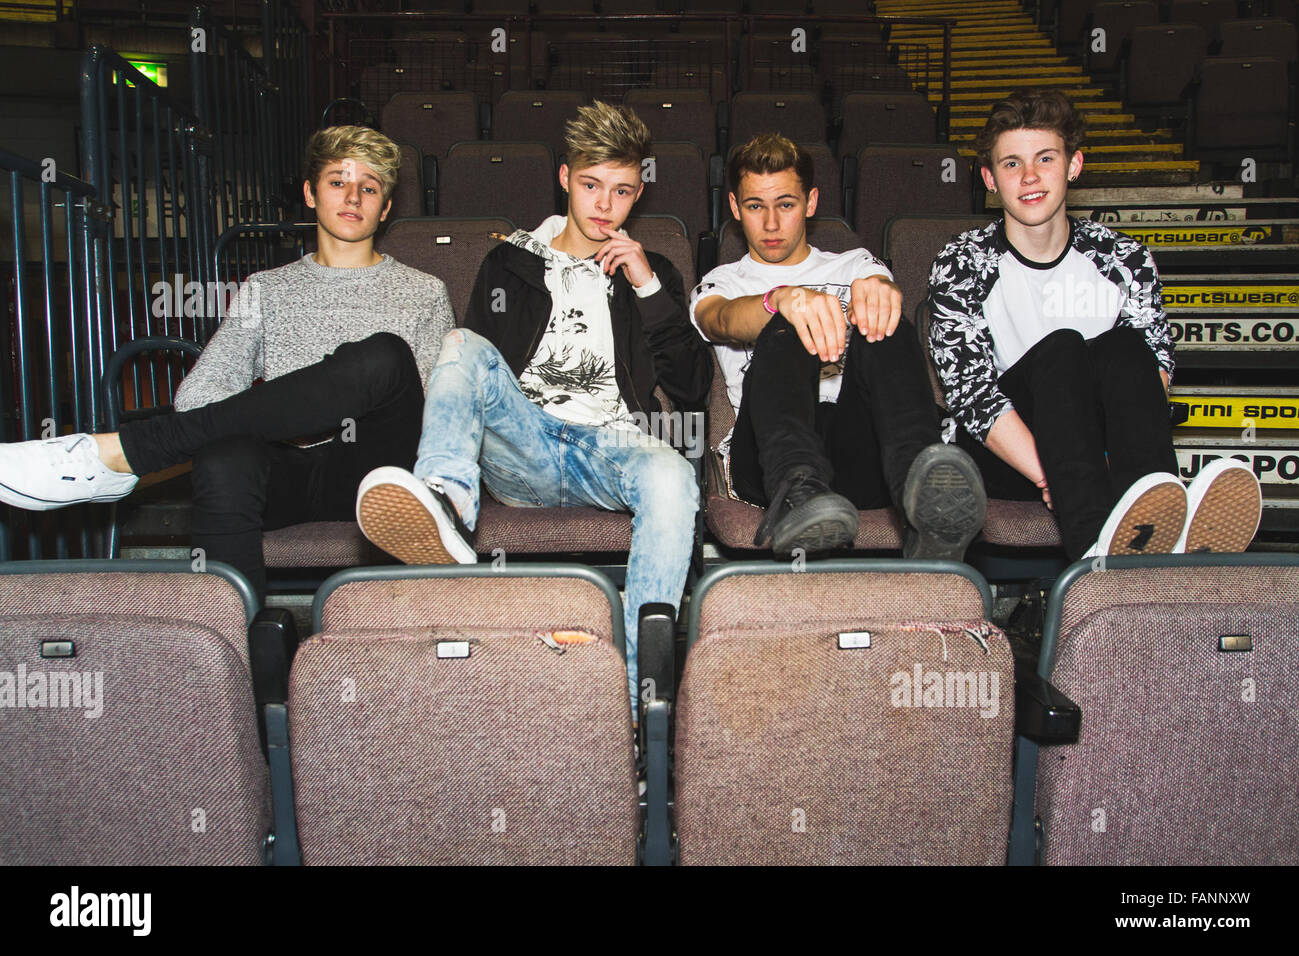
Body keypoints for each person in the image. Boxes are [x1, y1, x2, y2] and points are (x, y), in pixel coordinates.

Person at [353, 102, 711, 706]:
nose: (604, 205)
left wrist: (648, 287)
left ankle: (632, 709)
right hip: (526, 444)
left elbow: (693, 387)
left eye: (622, 191)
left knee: (674, 477)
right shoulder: (508, 263)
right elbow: (476, 379)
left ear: (638, 193)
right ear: (566, 178)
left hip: (610, 446)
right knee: (462, 345)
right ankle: (445, 497)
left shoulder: (656, 273)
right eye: (592, 185)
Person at [0, 125, 454, 600]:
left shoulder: (423, 292)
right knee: (223, 454)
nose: (353, 197)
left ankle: (123, 452)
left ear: (384, 208)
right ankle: (236, 638)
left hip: (375, 475)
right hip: (286, 474)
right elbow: (199, 394)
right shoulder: (266, 287)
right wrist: (282, 418)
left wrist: (325, 402)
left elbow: (434, 414)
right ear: (310, 194)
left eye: (369, 188)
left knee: (383, 356)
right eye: (338, 181)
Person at [927, 89, 1262, 559]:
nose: (1029, 177)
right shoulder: (964, 261)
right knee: (1062, 347)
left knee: (1125, 349)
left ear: (1073, 165)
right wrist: (1053, 473)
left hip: (1101, 453)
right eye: (1011, 164)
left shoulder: (1124, 258)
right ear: (989, 178)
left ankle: (1159, 523)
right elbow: (971, 396)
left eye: (1045, 158)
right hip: (1009, 456)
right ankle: (1095, 550)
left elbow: (1155, 369)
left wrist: (1105, 461)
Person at [690, 133, 986, 559]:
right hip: (770, 460)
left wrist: (880, 290)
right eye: (756, 206)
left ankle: (925, 503)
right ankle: (800, 495)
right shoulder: (722, 281)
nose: (771, 224)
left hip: (862, 451)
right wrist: (783, 299)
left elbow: (881, 293)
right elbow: (718, 319)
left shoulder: (856, 265)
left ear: (810, 203)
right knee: (788, 323)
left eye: (786, 205)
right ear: (735, 208)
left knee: (885, 322)